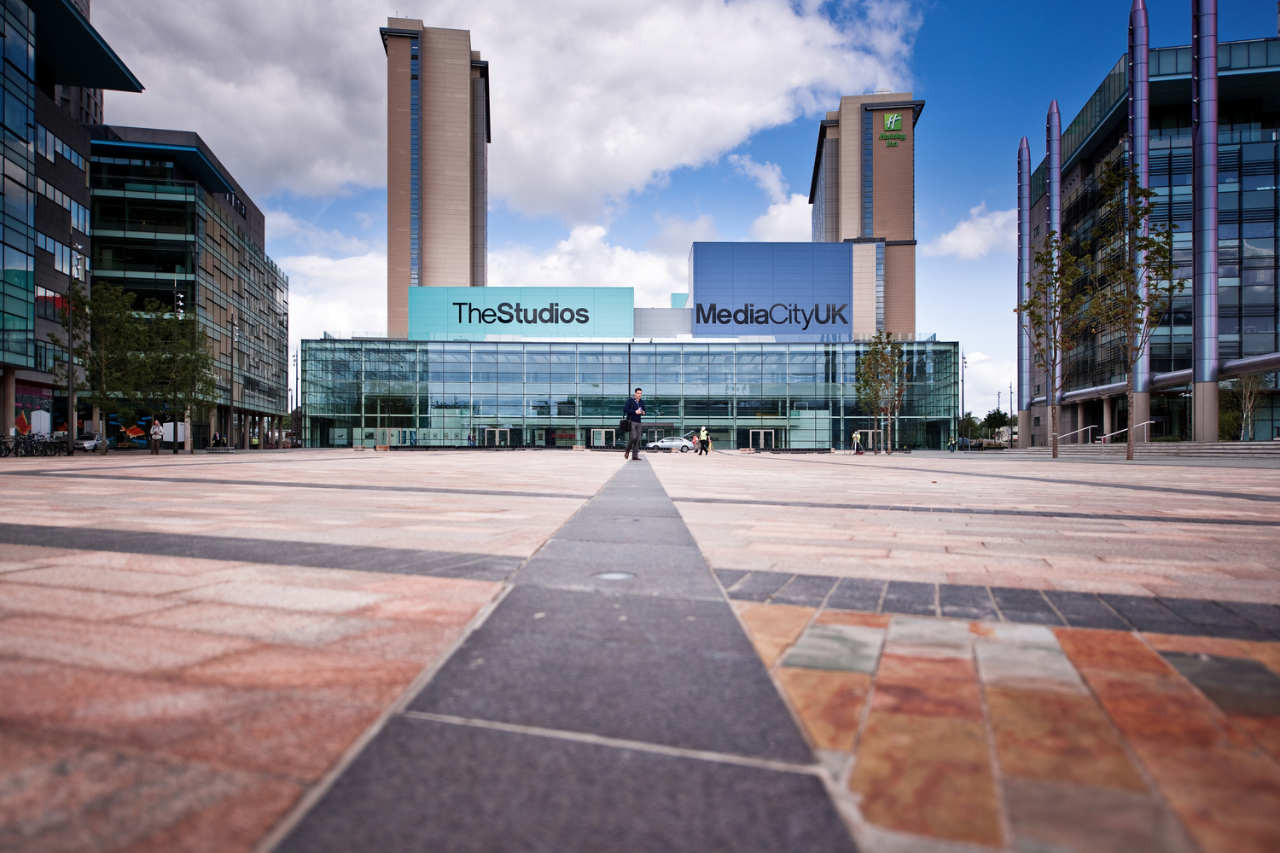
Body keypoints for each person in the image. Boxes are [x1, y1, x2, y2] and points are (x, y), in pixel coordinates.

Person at [622, 387, 645, 461]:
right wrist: (635, 412)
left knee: (638, 439)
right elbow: (625, 410)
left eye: (640, 393)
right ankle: (627, 450)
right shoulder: (630, 401)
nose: (639, 395)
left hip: (639, 422)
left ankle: (635, 456)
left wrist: (643, 412)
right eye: (638, 393)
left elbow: (644, 410)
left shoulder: (641, 402)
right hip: (631, 421)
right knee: (633, 437)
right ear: (635, 393)